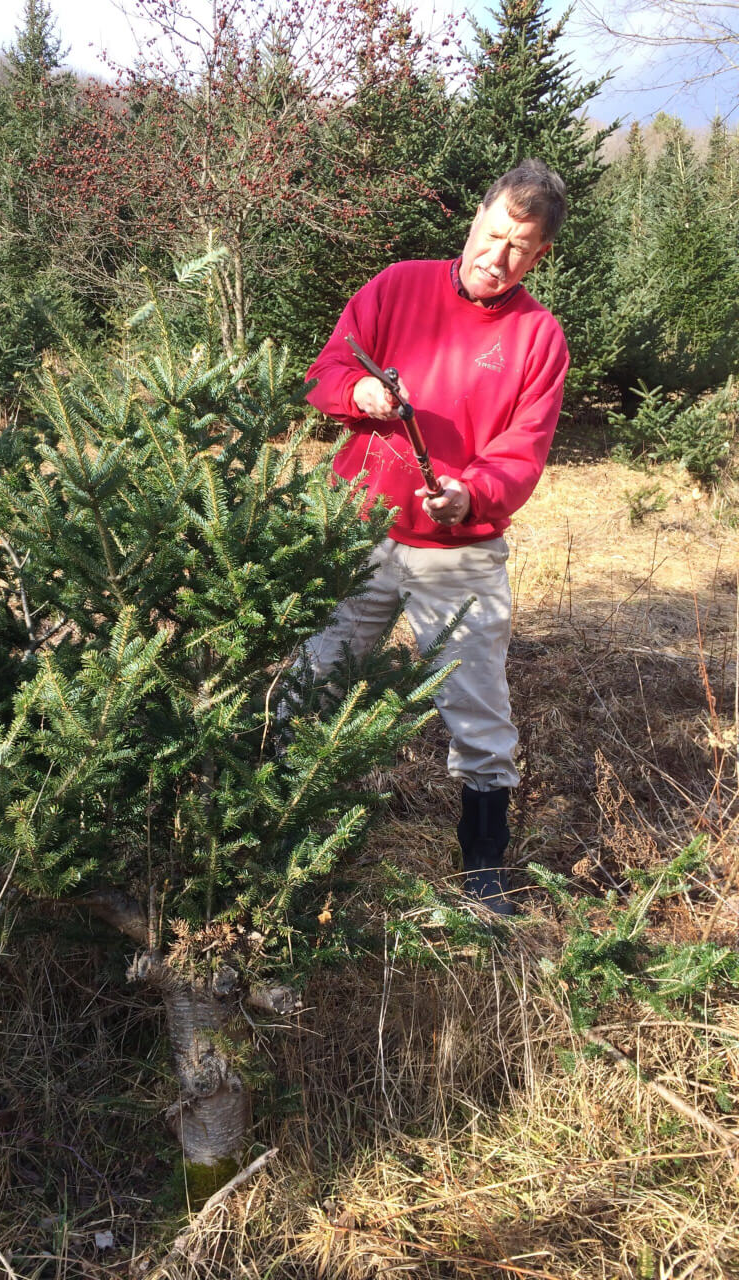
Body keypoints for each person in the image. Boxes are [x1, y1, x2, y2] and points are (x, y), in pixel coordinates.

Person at [303, 159, 570, 915]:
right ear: (476, 216)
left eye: (518, 249)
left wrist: (470, 493)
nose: (496, 257)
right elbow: (323, 372)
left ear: (539, 256)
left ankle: (484, 873)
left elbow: (523, 452)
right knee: (308, 685)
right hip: (358, 531)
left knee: (478, 712)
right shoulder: (395, 286)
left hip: (459, 554)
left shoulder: (538, 339)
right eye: (492, 235)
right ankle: (285, 834)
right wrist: (357, 392)